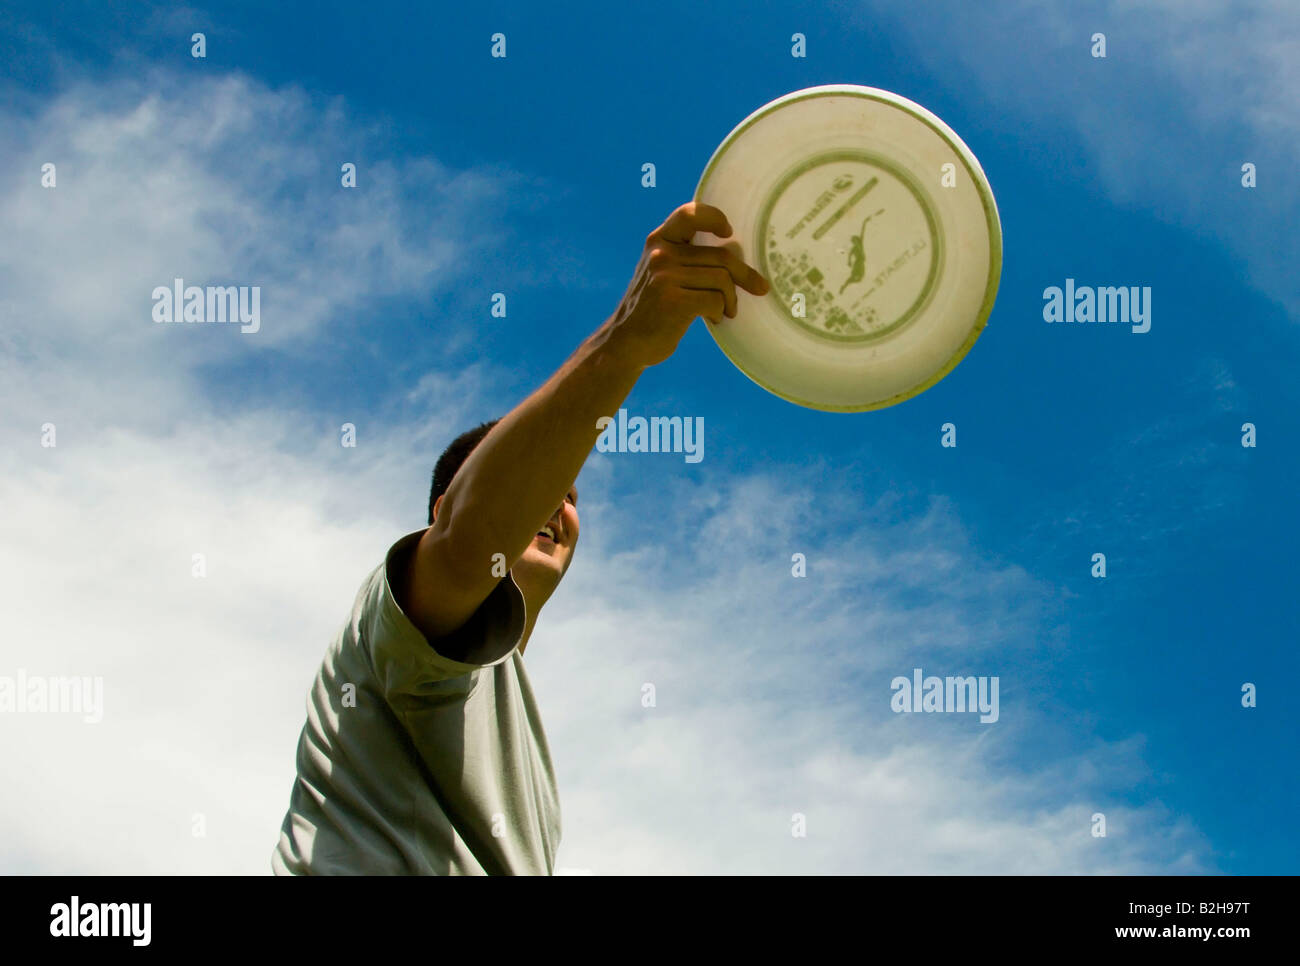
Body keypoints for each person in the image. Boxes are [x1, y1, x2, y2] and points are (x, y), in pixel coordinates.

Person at [271, 202, 770, 874]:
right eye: (544, 489)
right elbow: (468, 538)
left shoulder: (522, 737)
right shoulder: (397, 628)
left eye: (570, 495)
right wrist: (626, 339)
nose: (557, 507)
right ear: (444, 508)